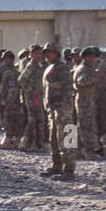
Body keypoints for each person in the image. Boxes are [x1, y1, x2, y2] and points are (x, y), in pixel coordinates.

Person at [39, 42, 76, 180]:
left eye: (50, 52)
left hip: (63, 109)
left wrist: (63, 107)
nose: (48, 54)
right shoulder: (50, 68)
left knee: (67, 137)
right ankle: (57, 166)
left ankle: (69, 169)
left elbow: (67, 88)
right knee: (53, 138)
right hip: (52, 109)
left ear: (57, 53)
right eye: (46, 52)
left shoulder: (62, 68)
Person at [73, 46, 101, 159]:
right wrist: (94, 79)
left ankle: (77, 150)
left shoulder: (88, 68)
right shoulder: (83, 69)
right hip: (84, 100)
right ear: (85, 58)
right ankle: (89, 151)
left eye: (93, 57)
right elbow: (81, 81)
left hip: (87, 98)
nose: (92, 59)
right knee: (87, 125)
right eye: (90, 57)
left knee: (82, 125)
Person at [19, 44, 47, 150]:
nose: (38, 56)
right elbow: (21, 80)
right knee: (32, 120)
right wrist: (31, 91)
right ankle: (28, 143)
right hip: (31, 98)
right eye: (35, 53)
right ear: (31, 54)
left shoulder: (39, 66)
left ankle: (39, 143)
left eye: (40, 53)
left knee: (40, 120)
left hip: (39, 98)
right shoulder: (30, 66)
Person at [0, 50, 24, 149]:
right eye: (5, 59)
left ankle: (11, 140)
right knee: (10, 120)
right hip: (12, 100)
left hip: (12, 100)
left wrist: (0, 98)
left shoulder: (12, 73)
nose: (6, 61)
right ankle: (13, 139)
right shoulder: (5, 71)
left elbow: (3, 87)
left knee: (12, 120)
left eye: (8, 59)